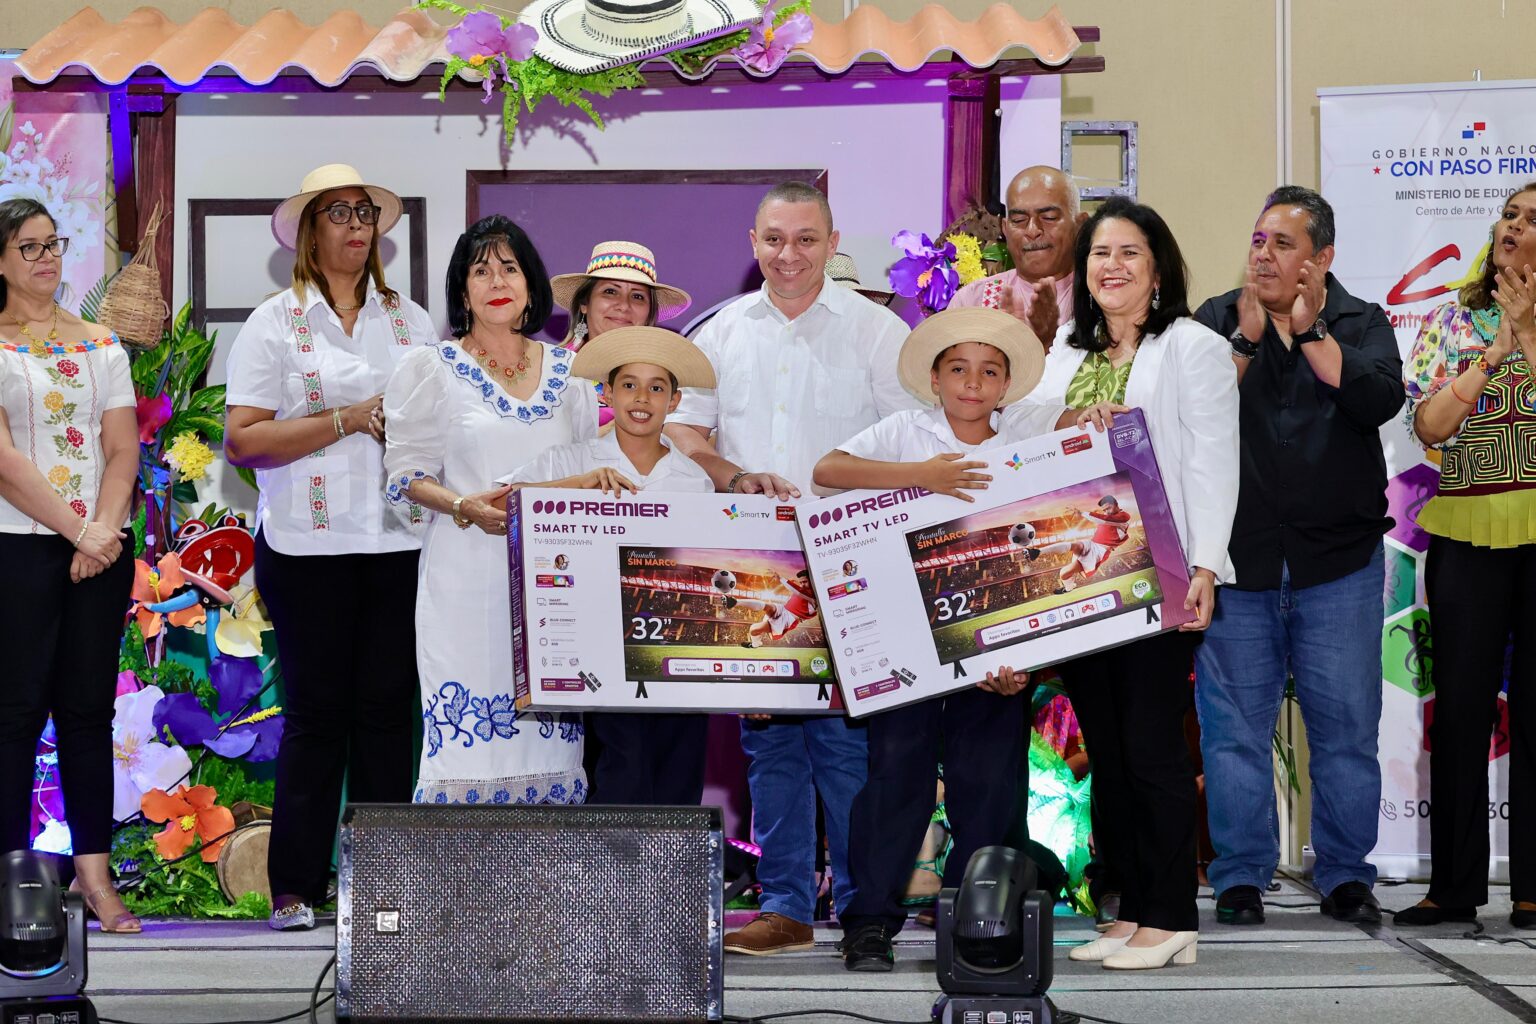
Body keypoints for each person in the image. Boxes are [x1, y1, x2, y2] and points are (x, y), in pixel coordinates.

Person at [665, 180, 918, 955]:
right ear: (753, 242)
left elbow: (908, 441)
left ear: (833, 242)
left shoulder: (877, 333)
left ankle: (863, 906)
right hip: (751, 569)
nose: (790, 255)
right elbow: (683, 436)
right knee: (769, 742)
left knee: (846, 742)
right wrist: (734, 474)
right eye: (775, 239)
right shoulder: (719, 334)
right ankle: (784, 908)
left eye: (806, 239)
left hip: (849, 563)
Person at [1007, 196, 1239, 969]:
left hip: (1160, 573)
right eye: (1101, 254)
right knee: (1106, 746)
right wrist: (1065, 426)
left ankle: (1173, 916)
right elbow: (1020, 432)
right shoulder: (1070, 356)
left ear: (1159, 268)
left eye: (1129, 253)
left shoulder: (1192, 347)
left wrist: (1205, 564)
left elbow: (1212, 459)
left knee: (1152, 748)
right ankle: (1134, 905)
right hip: (1080, 581)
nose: (1112, 267)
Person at [224, 164, 436, 930]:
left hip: (398, 543)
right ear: (311, 230)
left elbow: (439, 428)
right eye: (337, 213)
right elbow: (242, 440)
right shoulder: (274, 322)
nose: (355, 225)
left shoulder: (411, 321)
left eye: (365, 213)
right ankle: (295, 887)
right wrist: (348, 419)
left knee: (386, 714)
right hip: (306, 550)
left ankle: (384, 890)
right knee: (316, 716)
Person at [1190, 185, 1402, 928]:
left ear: (1322, 258)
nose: (1263, 255)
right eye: (1257, 241)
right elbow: (1190, 414)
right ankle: (1242, 876)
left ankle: (1346, 875)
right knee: (1234, 732)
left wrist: (1311, 335)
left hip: (1338, 564)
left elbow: (1377, 401)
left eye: (1282, 244)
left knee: (1345, 733)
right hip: (1239, 564)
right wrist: (1247, 342)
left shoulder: (1361, 320)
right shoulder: (1217, 320)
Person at [813, 305, 1044, 970]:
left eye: (989, 371)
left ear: (1005, 386)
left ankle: (985, 923)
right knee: (894, 777)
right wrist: (924, 475)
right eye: (959, 369)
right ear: (935, 380)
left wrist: (1025, 657)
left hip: (997, 641)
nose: (973, 382)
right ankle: (869, 923)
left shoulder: (1021, 444)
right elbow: (829, 469)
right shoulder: (904, 431)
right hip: (904, 636)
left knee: (991, 782)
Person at [383, 215, 596, 806]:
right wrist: (463, 505)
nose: (497, 280)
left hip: (554, 583)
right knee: (465, 748)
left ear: (531, 284)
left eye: (510, 267)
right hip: (464, 577)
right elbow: (405, 475)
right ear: (462, 290)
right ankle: (458, 893)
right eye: (481, 271)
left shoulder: (571, 374)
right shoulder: (431, 369)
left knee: (551, 744)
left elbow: (583, 471)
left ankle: (550, 891)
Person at [1396, 183, 1536, 931]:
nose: (1515, 226)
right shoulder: (1452, 316)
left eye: (1533, 219)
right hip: (1467, 529)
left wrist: (1533, 338)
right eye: (1510, 215)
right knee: (1460, 711)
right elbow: (1432, 426)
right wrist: (1495, 351)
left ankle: (1532, 889)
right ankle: (1454, 887)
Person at [501, 325, 716, 805]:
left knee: (679, 778)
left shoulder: (693, 480)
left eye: (657, 387)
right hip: (600, 655)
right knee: (620, 773)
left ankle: (670, 881)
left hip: (677, 657)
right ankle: (614, 880)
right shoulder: (571, 459)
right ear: (606, 393)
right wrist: (577, 485)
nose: (642, 398)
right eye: (629, 385)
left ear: (675, 401)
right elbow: (501, 504)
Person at [0, 198, 138, 932]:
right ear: (0, 260)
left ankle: (95, 879)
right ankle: (12, 882)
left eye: (54, 245)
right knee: (15, 714)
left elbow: (122, 447)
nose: (48, 258)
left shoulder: (101, 344)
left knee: (88, 713)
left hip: (101, 548)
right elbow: (5, 463)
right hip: (18, 546)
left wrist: (103, 531)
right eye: (29, 248)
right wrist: (79, 532)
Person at [949, 166, 1086, 348]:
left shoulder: (1100, 298)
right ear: (1005, 229)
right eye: (1019, 221)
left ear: (1080, 225)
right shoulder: (971, 302)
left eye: (1049, 217)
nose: (1032, 230)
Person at [550, 241, 692, 349]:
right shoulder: (547, 371)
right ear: (584, 303)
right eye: (610, 292)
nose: (624, 306)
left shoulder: (664, 377)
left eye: (637, 296)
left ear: (649, 312)